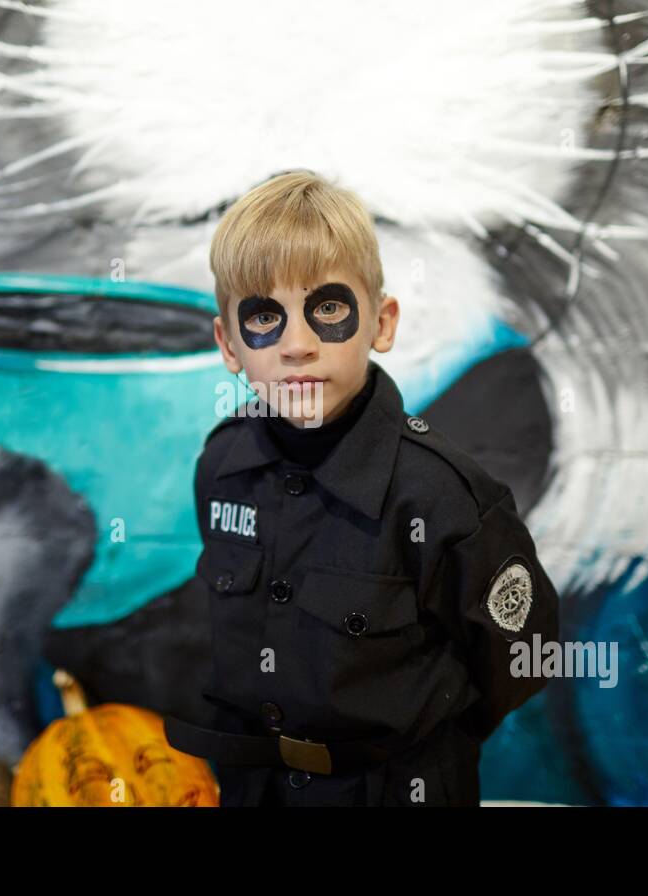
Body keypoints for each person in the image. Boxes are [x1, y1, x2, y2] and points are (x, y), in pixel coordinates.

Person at [162, 170, 560, 806]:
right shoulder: (222, 467)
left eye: (327, 310)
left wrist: (426, 736)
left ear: (381, 321)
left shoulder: (440, 497)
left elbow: (524, 655)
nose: (297, 345)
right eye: (264, 316)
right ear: (229, 344)